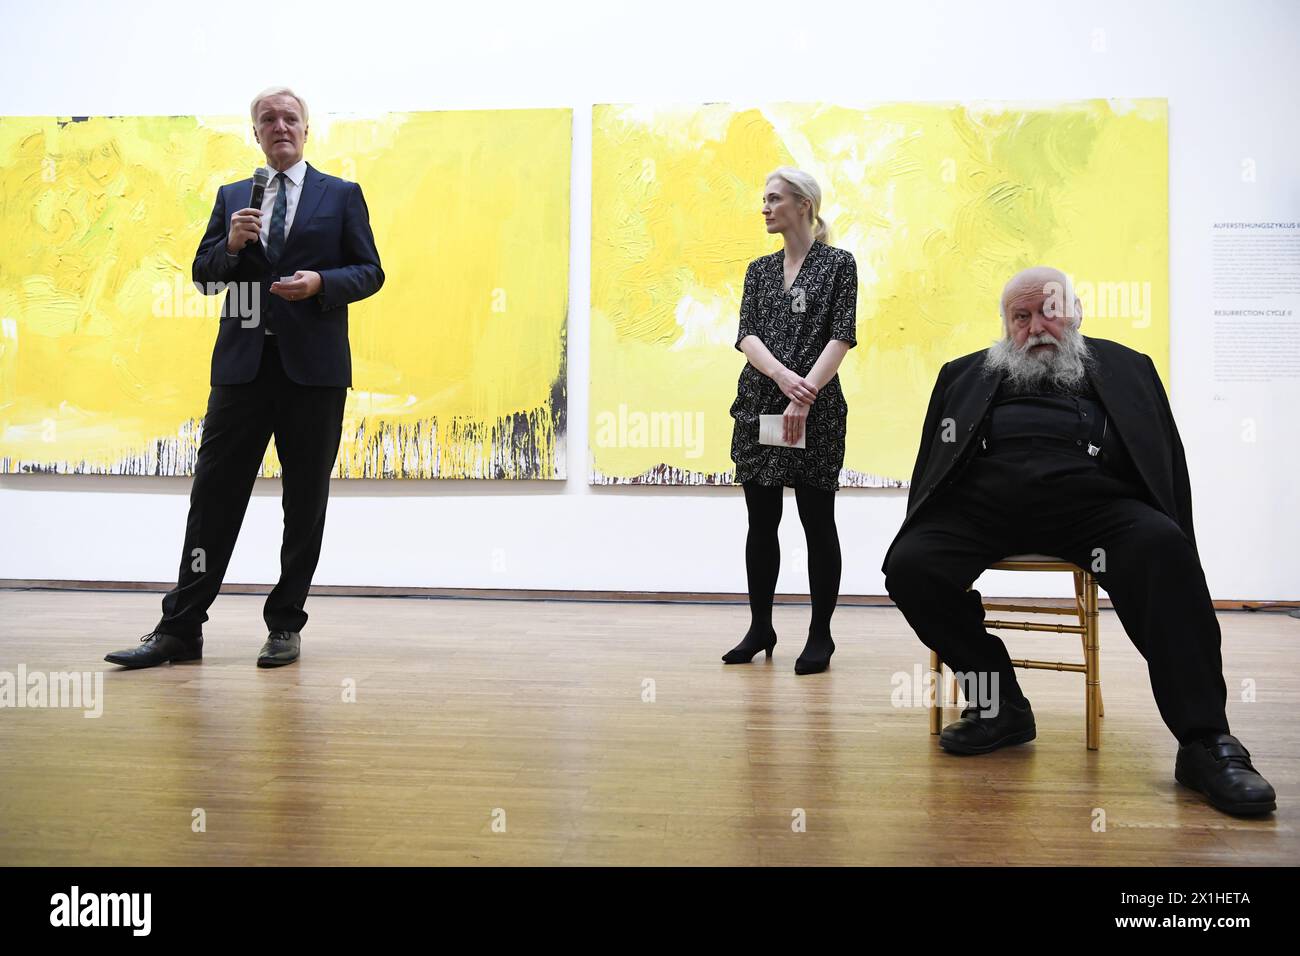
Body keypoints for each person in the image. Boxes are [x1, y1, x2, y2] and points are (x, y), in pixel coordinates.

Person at [882, 266, 1276, 816]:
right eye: (1021, 317)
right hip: (983, 512)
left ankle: (1205, 742)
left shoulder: (1126, 368)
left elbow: (1163, 460)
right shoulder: (964, 374)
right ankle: (1000, 706)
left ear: (1076, 312)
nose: (1037, 326)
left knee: (1162, 546)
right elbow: (934, 465)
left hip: (1096, 512)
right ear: (1005, 325)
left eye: (1049, 310)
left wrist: (1173, 526)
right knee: (909, 566)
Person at [105, 86, 384, 670]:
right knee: (212, 500)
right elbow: (205, 277)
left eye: (290, 118)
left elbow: (370, 271)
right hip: (242, 372)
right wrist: (229, 245)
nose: (279, 126)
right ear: (255, 133)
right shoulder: (235, 197)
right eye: (267, 120)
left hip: (313, 375)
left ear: (306, 129)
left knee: (304, 503)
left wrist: (321, 285)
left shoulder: (342, 195)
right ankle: (180, 628)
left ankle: (285, 625)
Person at [722, 167, 858, 675]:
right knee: (762, 523)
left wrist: (805, 396)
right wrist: (783, 381)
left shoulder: (838, 265)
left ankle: (820, 633)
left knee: (817, 523)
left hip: (816, 410)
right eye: (763, 199)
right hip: (760, 403)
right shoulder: (759, 269)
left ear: (804, 205)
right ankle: (761, 626)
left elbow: (841, 335)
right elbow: (747, 336)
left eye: (774, 199)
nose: (765, 207)